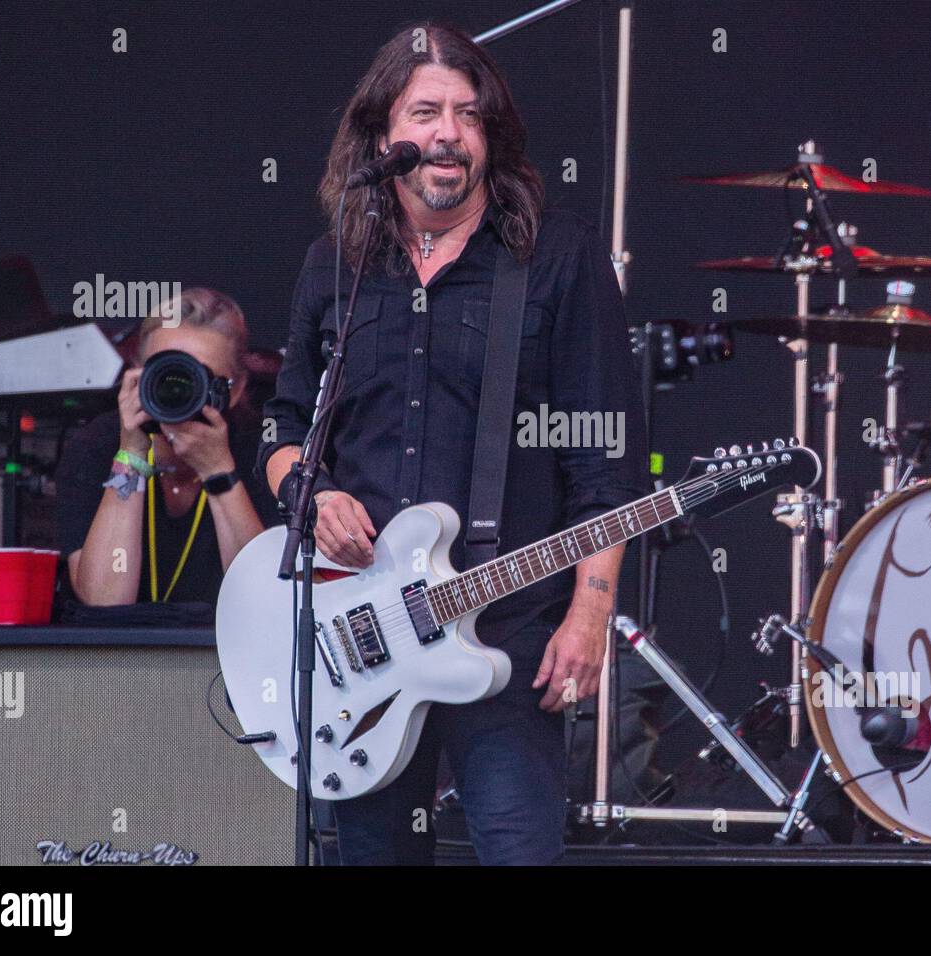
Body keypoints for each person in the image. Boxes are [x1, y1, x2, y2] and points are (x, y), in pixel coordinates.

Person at [259, 22, 647, 865]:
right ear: (382, 137)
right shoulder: (334, 266)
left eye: (468, 116)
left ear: (489, 137)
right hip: (358, 635)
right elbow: (282, 428)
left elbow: (606, 458)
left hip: (504, 629)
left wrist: (590, 611)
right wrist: (312, 493)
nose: (447, 133)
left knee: (517, 850)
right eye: (425, 112)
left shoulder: (555, 259)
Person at [56, 288, 278, 607]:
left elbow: (264, 600)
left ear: (236, 387)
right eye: (166, 373)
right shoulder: (98, 445)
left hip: (223, 652)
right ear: (137, 374)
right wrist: (130, 456)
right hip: (121, 655)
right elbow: (104, 601)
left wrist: (218, 472)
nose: (178, 389)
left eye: (196, 377)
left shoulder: (261, 453)